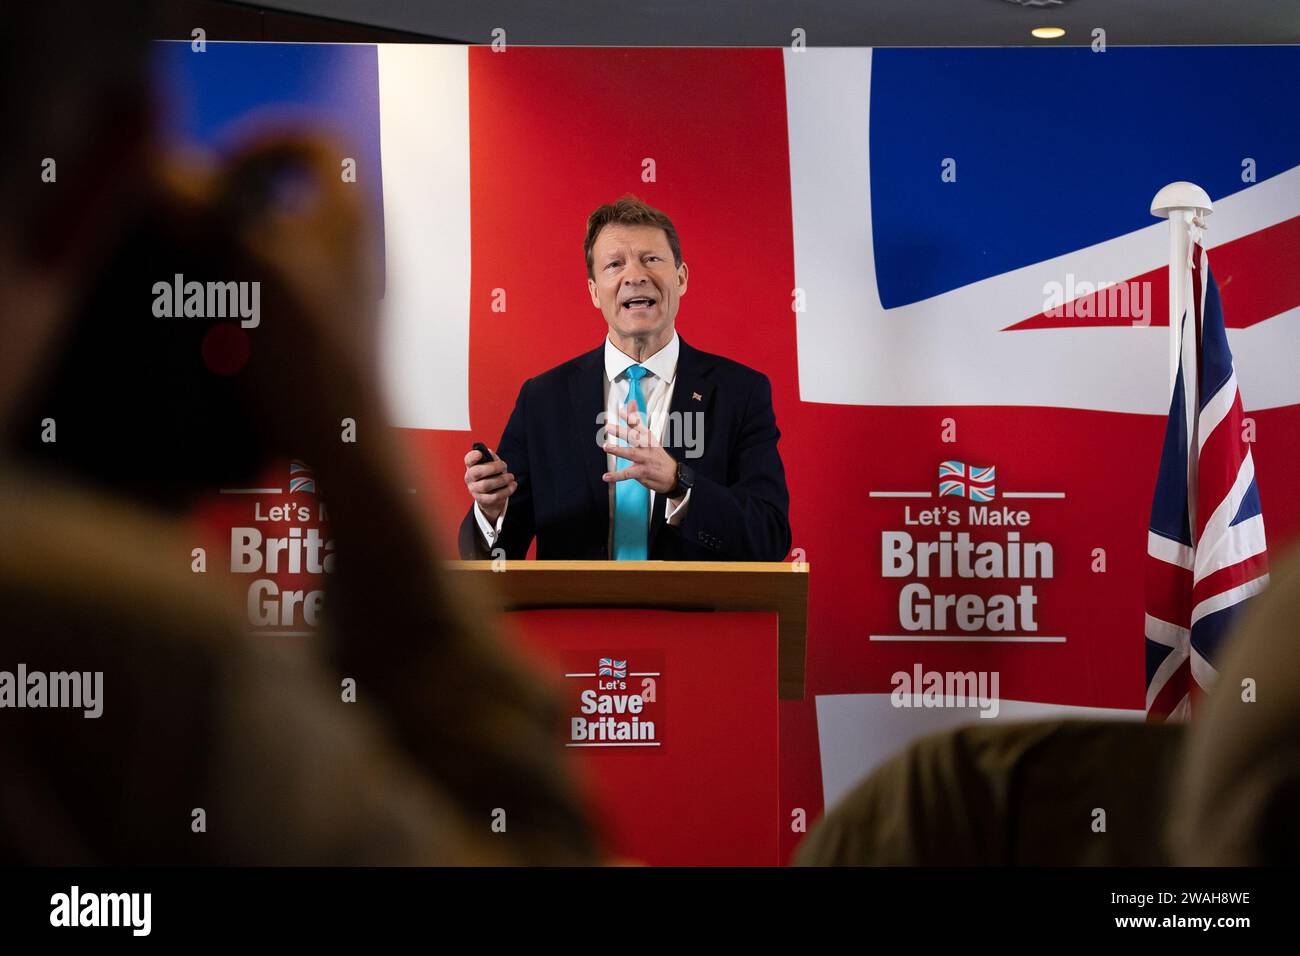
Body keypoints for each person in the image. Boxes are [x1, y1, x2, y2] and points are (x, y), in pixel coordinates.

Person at [0, 1, 596, 865]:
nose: (632, 279)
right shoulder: (146, 653)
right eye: (615, 261)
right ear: (109, 168)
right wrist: (354, 441)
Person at [459, 195, 791, 562]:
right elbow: (495, 561)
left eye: (651, 259)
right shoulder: (543, 400)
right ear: (593, 291)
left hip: (692, 619)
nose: (635, 276)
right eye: (615, 264)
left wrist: (679, 482)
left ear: (680, 278)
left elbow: (769, 537)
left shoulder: (739, 393)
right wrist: (490, 512)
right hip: (579, 619)